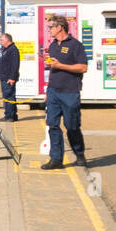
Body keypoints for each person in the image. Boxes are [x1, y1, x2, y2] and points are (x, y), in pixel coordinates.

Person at [41, 15, 87, 170]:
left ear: (59, 27)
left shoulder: (76, 45)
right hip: (53, 91)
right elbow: (53, 69)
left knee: (71, 126)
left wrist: (61, 66)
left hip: (70, 92)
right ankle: (56, 159)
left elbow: (83, 68)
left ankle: (79, 154)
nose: (49, 30)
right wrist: (48, 89)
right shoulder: (53, 46)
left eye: (50, 27)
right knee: (52, 125)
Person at [0, 33, 19, 121]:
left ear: (7, 40)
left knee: (9, 96)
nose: (0, 42)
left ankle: (10, 116)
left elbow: (15, 65)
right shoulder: (7, 49)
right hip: (5, 77)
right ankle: (10, 115)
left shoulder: (13, 50)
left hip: (8, 78)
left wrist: (12, 77)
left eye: (2, 40)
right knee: (7, 96)